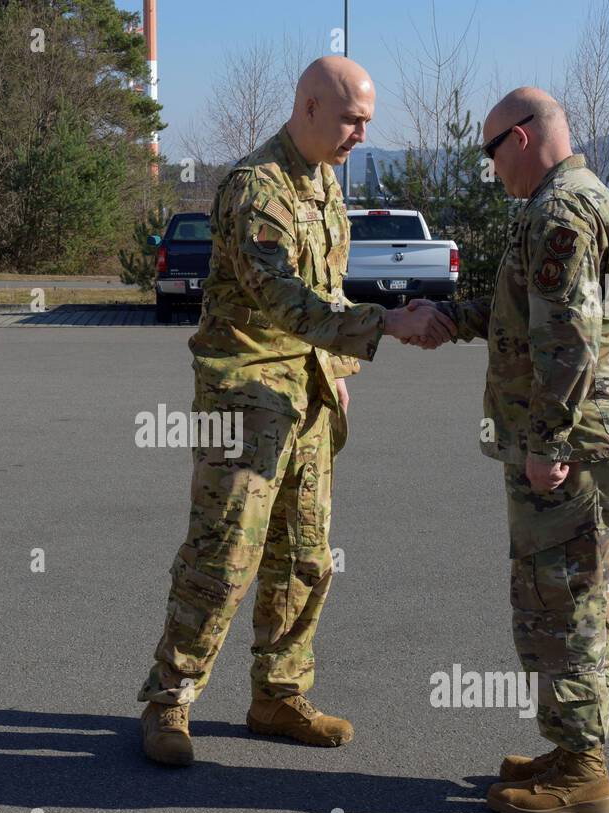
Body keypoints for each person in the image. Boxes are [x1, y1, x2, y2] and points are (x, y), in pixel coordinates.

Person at [136, 56, 455, 766]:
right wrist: (385, 326)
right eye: (350, 119)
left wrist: (337, 367)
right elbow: (283, 297)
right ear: (308, 106)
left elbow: (328, 288)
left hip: (304, 389)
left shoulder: (323, 184)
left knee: (305, 558)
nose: (361, 134)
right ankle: (169, 700)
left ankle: (278, 694)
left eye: (367, 121)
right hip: (243, 392)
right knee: (224, 555)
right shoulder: (258, 189)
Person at [408, 88, 609, 813]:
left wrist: (548, 441)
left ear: (519, 137)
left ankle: (582, 772)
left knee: (562, 603)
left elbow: (569, 339)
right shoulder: (578, 198)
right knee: (575, 597)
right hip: (596, 435)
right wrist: (449, 318)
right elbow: (530, 315)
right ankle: (571, 746)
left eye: (489, 153)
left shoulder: (557, 213)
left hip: (573, 445)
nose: (490, 169)